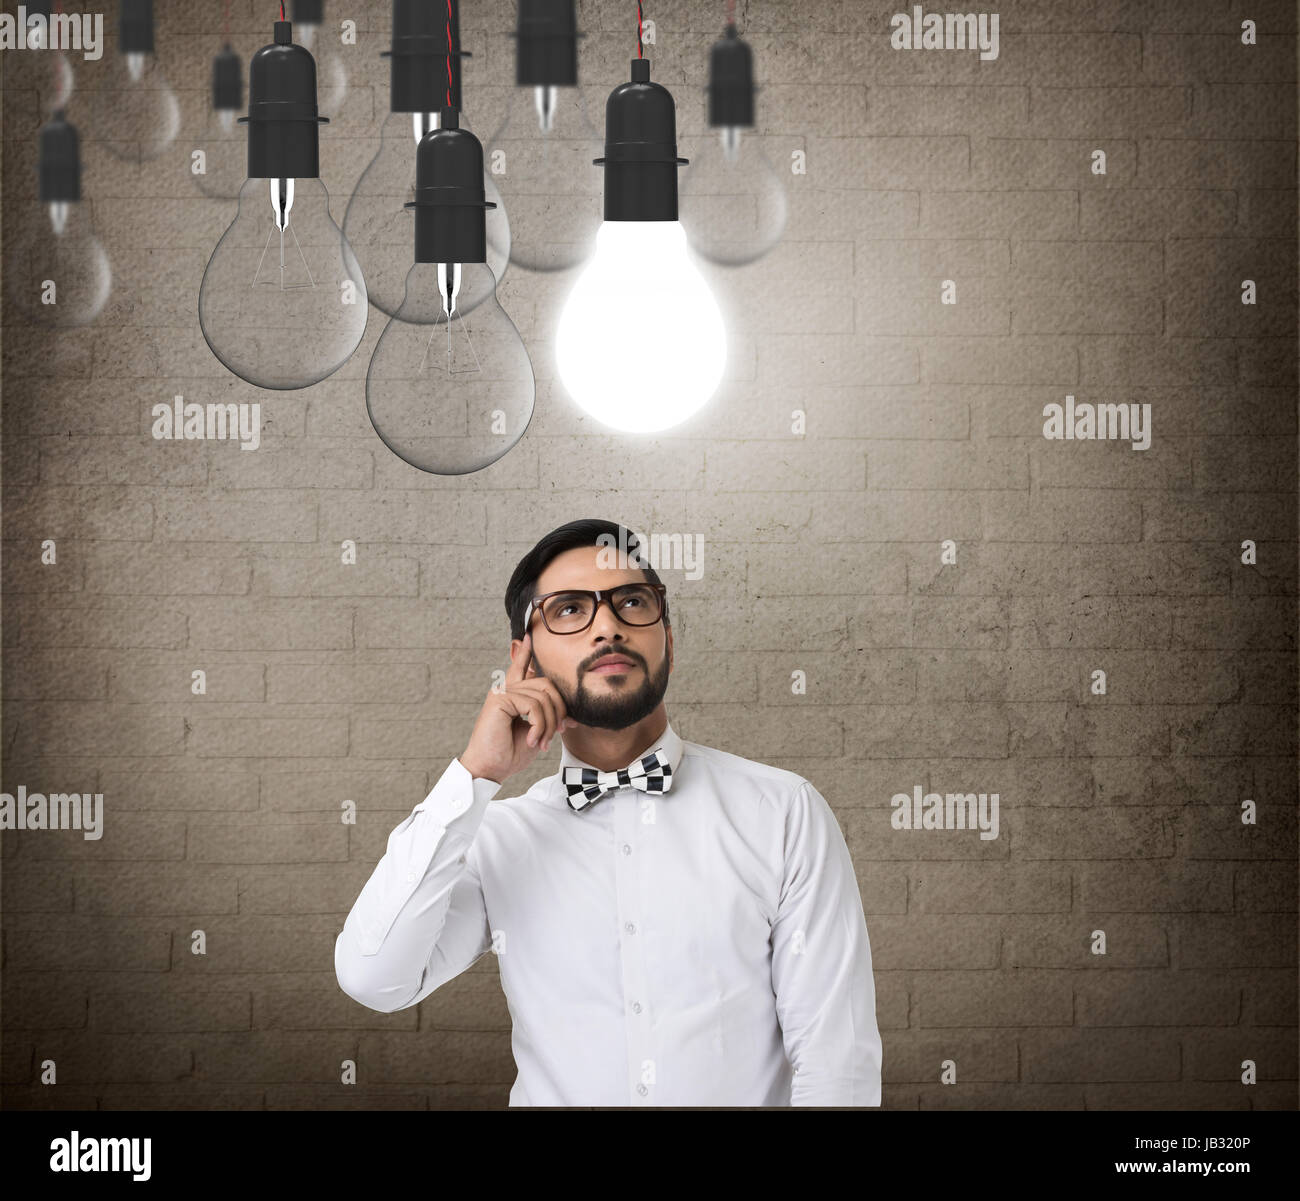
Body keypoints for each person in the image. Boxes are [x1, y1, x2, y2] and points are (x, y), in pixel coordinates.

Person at [334, 518, 883, 1106]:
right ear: (525, 662)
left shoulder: (783, 812)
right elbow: (375, 978)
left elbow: (836, 1065)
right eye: (569, 609)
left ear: (668, 639)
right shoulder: (496, 839)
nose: (607, 626)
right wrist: (475, 775)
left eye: (632, 602)